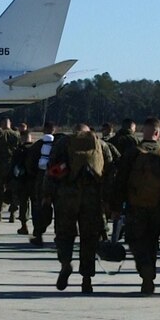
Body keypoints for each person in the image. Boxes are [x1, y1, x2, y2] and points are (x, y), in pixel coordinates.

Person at [111, 117, 160, 295]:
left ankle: (145, 271)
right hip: (157, 207)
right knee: (151, 242)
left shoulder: (132, 153)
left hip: (135, 206)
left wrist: (116, 208)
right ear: (158, 133)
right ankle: (149, 275)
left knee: (135, 241)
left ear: (143, 131)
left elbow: (121, 182)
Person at [46, 123, 114, 294]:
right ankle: (87, 279)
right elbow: (110, 171)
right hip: (92, 199)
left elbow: (51, 170)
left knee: (64, 235)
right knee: (89, 239)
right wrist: (109, 200)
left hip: (66, 197)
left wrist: (47, 195)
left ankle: (65, 263)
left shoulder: (62, 143)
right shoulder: (101, 144)